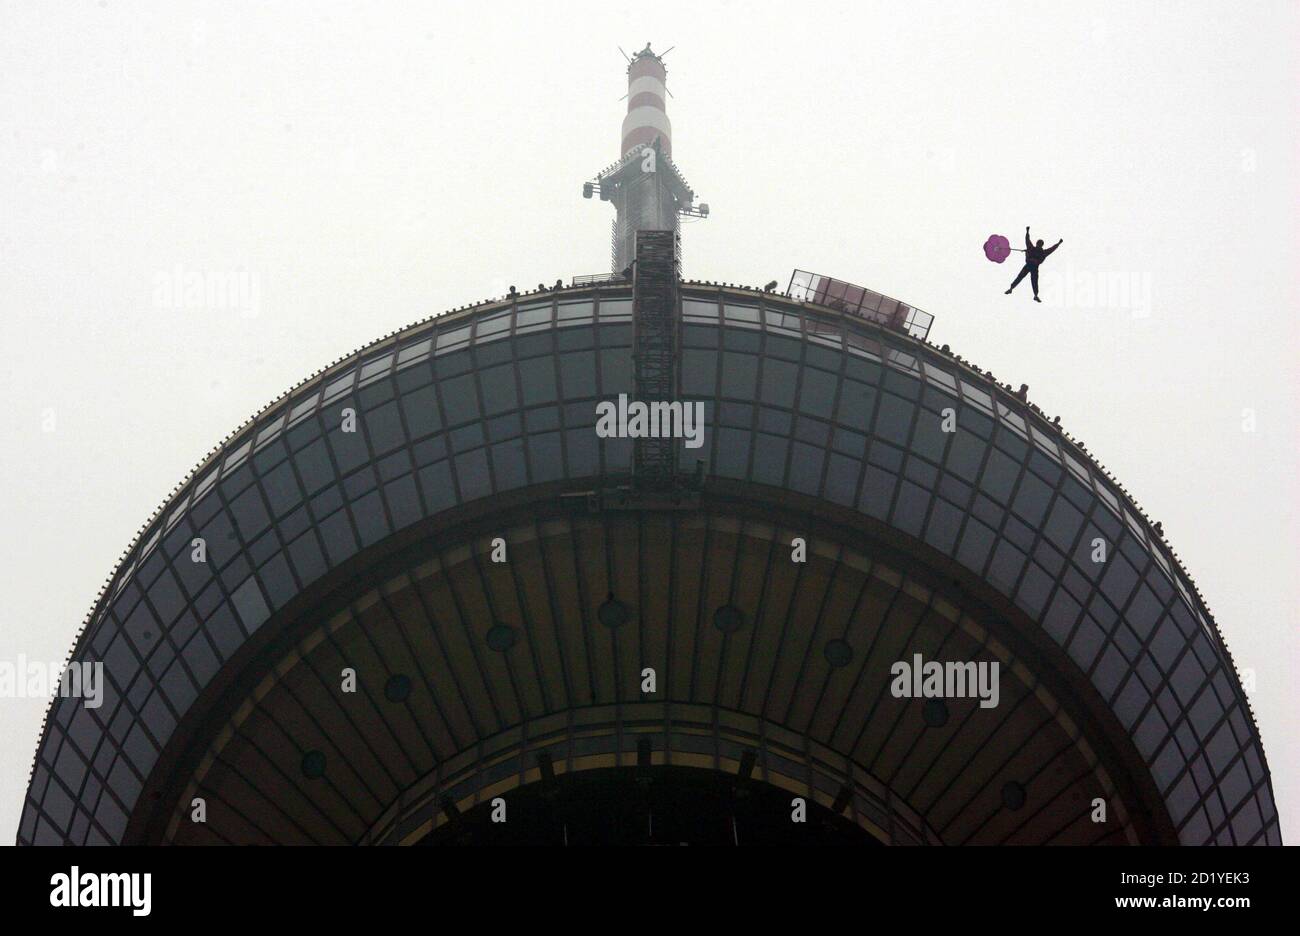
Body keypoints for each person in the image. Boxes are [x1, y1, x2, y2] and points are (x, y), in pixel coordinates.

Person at [1005, 227, 1062, 302]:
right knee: (1025, 278)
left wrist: (1027, 231)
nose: (1039, 245)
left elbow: (1028, 240)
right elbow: (1028, 240)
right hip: (1030, 266)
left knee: (1030, 280)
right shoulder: (1037, 250)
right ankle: (1012, 289)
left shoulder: (1037, 250)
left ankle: (1033, 294)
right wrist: (1027, 232)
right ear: (1040, 244)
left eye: (1039, 244)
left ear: (1039, 244)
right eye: (1039, 244)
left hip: (1031, 266)